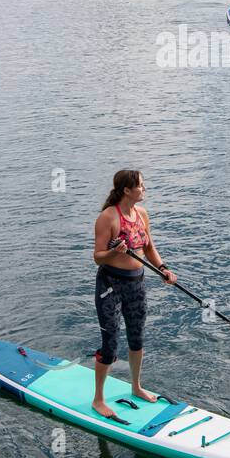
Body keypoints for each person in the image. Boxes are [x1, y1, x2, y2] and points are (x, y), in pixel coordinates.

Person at [92, 170, 176, 420]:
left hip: (137, 284)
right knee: (110, 346)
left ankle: (136, 387)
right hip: (111, 286)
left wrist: (162, 269)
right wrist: (115, 252)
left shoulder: (142, 214)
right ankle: (98, 399)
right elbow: (97, 257)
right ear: (127, 190)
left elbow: (148, 246)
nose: (144, 189)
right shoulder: (108, 217)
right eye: (140, 185)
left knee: (137, 339)